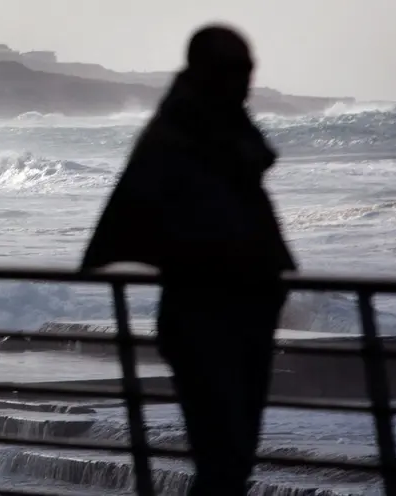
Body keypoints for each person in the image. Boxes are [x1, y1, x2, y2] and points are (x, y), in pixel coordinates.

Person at [81, 25, 297, 495]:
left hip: (244, 314)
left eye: (248, 69)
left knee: (232, 462)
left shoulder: (215, 123)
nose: (246, 81)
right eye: (236, 70)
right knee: (222, 461)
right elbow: (174, 222)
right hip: (205, 318)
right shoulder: (184, 132)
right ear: (209, 71)